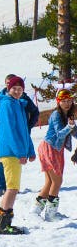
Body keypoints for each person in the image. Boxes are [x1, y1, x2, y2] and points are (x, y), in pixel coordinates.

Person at [0, 73, 40, 196]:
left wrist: (27, 127)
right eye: (9, 84)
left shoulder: (22, 97)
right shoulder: (0, 98)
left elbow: (34, 112)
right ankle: (3, 187)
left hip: (21, 133)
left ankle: (12, 186)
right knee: (6, 159)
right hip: (4, 132)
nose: (16, 91)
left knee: (13, 160)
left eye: (19, 88)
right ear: (6, 85)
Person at [0, 75, 36, 234]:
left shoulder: (18, 104)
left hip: (15, 152)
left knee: (12, 188)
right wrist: (19, 153)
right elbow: (10, 132)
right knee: (12, 188)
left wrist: (30, 150)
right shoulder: (7, 105)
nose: (17, 91)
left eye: (20, 89)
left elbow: (24, 130)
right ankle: (4, 225)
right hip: (10, 152)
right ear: (8, 89)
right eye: (14, 88)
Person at [33, 88, 76, 220]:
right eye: (64, 101)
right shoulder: (56, 115)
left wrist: (71, 126)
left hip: (55, 150)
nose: (67, 103)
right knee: (57, 181)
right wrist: (69, 126)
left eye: (69, 100)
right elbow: (59, 133)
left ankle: (35, 211)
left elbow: (75, 132)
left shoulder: (68, 116)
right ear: (58, 102)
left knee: (50, 182)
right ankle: (50, 214)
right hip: (50, 148)